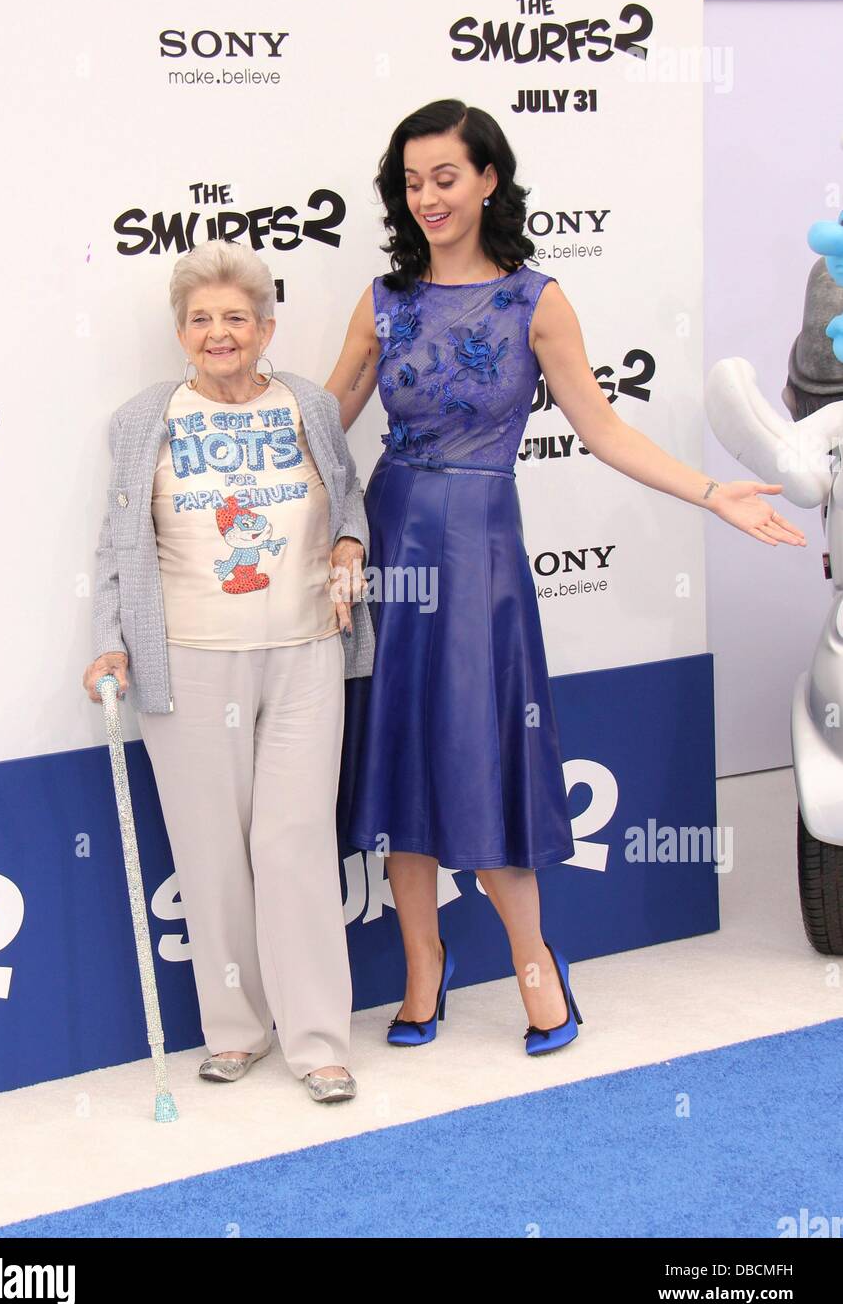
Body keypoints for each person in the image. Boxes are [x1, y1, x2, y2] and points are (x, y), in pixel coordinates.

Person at [325, 98, 807, 1056]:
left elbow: (604, 428)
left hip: (477, 551)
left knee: (477, 751)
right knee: (400, 750)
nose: (427, 198)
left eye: (445, 178)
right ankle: (423, 967)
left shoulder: (534, 300)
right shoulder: (383, 300)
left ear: (488, 179)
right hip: (390, 539)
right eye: (412, 182)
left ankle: (535, 963)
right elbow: (321, 426)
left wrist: (711, 492)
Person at [82, 240, 373, 1101]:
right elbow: (116, 545)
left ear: (265, 326)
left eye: (235, 318)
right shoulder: (144, 420)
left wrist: (352, 541)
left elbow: (348, 494)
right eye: (201, 319)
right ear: (180, 332)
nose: (219, 333)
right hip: (188, 666)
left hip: (305, 654)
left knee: (294, 846)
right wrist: (110, 640)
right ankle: (236, 1032)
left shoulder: (310, 406)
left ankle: (319, 1041)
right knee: (210, 856)